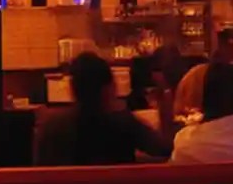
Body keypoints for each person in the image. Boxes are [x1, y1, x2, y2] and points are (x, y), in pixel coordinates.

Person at [36, 52, 172, 165]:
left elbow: (40, 168)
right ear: (107, 88)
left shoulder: (52, 126)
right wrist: (165, 107)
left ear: (72, 87)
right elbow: (164, 149)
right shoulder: (122, 123)